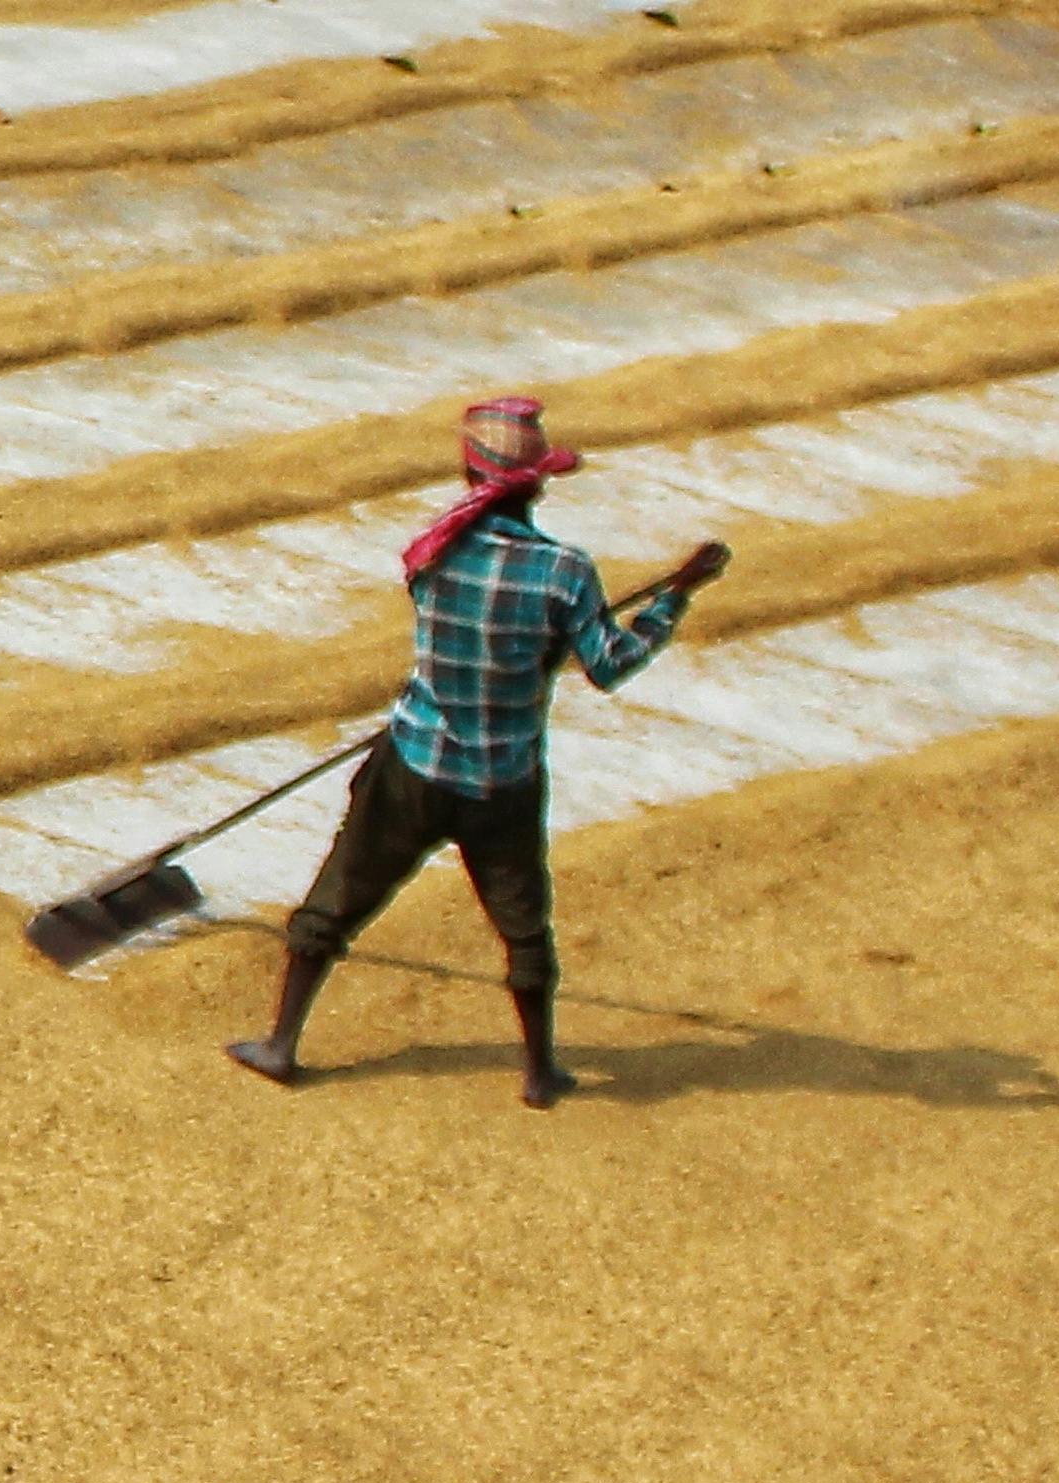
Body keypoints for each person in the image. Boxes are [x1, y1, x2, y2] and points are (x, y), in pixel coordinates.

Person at [233, 394, 724, 1109]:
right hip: (504, 783)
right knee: (523, 925)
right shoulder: (565, 572)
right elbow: (609, 664)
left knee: (337, 902)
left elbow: (457, 644)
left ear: (469, 474)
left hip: (415, 762)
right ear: (539, 483)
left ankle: (280, 1046)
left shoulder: (431, 551)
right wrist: (675, 595)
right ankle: (539, 1073)